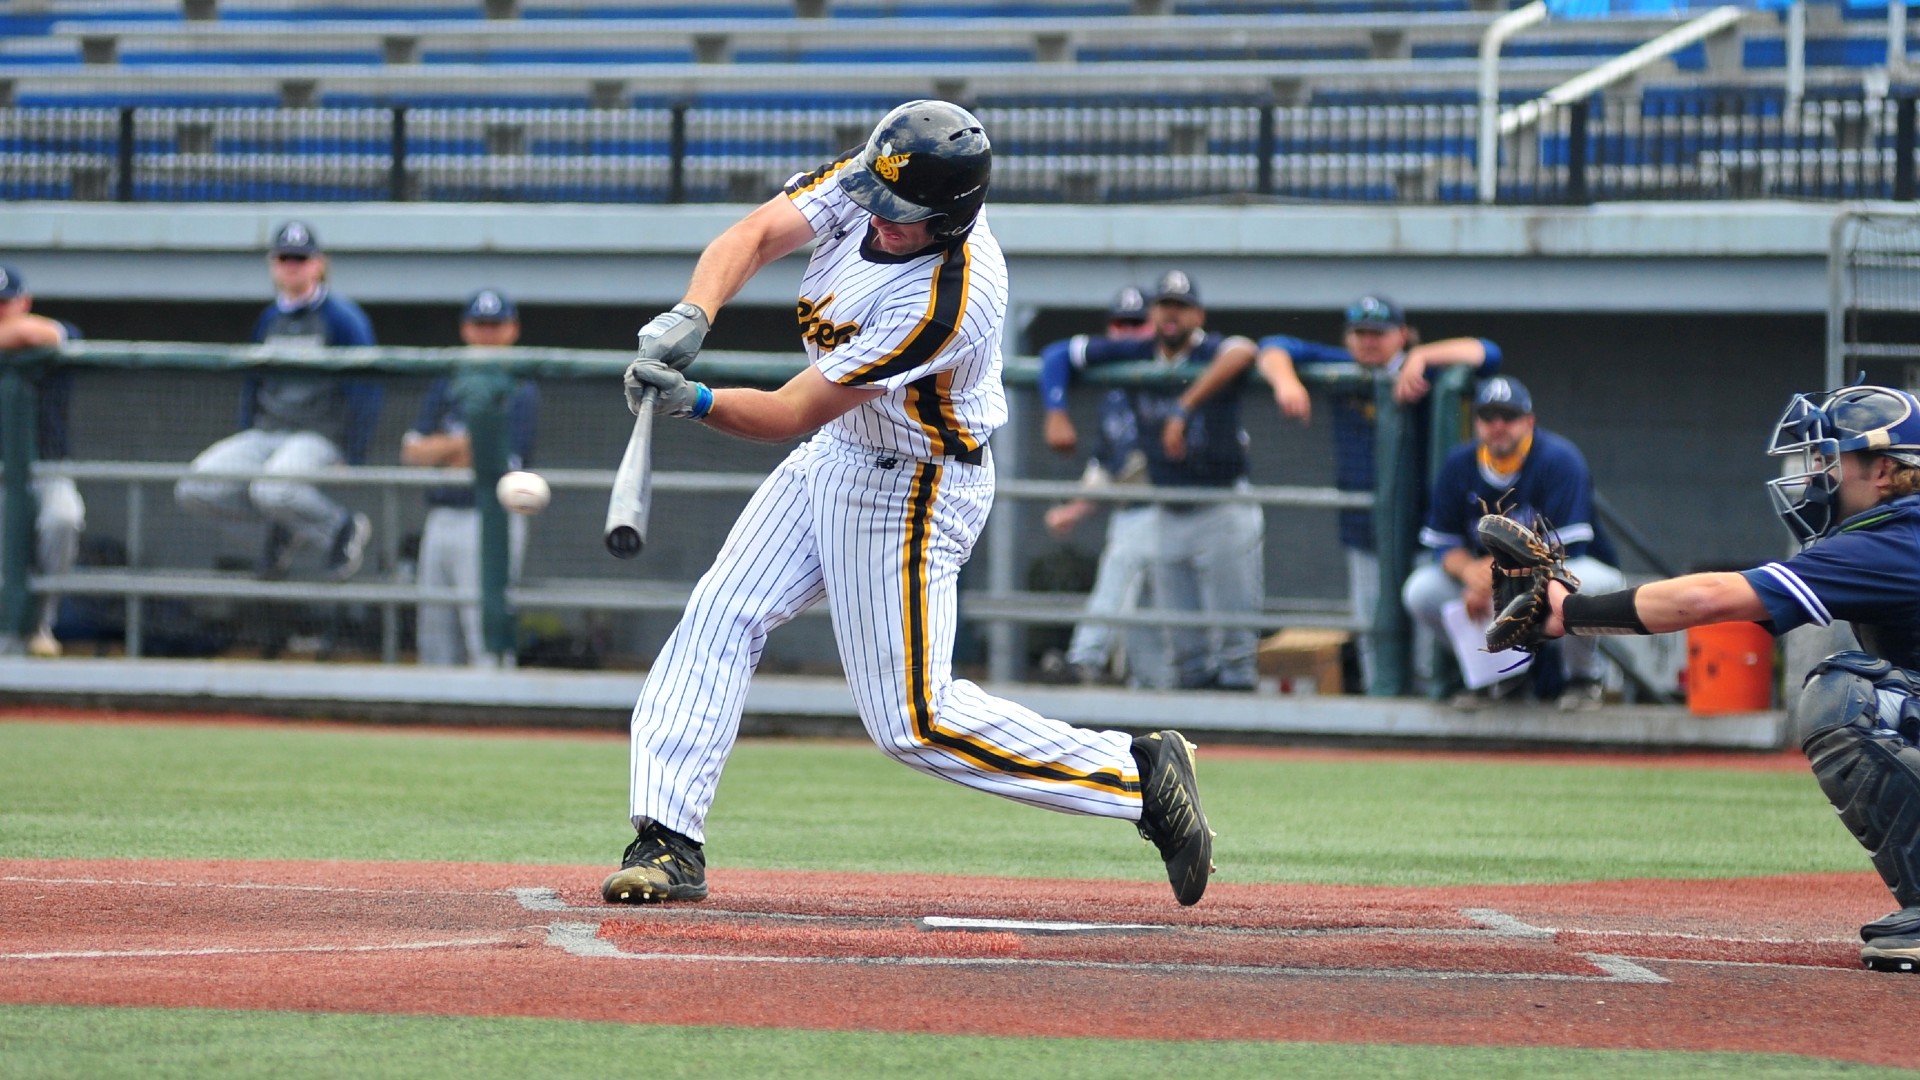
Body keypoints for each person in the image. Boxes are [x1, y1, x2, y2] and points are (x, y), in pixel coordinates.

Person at [605, 99, 1213, 909]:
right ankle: (668, 839)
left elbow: (790, 411)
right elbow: (751, 236)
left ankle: (1137, 777)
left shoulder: (949, 295)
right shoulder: (874, 176)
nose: (878, 219)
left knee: (913, 722)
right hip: (843, 449)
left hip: (914, 483)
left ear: (953, 217)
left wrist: (698, 398)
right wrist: (693, 312)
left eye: (904, 216)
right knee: (721, 613)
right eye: (877, 200)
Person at [1520, 383, 1920, 972]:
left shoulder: (1892, 541)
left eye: (1830, 460)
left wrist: (1567, 614)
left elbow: (1709, 597)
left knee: (1845, 698)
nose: (1816, 476)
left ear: (1883, 471)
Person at [1221, 294, 1503, 691]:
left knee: (1428, 626)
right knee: (1373, 627)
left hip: (1425, 525)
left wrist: (1421, 357)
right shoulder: (1343, 367)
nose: (1368, 342)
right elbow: (1273, 345)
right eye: (1360, 333)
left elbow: (1487, 352)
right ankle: (1381, 709)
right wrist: (1285, 381)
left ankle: (1439, 697)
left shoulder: (1424, 368)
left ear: (1401, 335)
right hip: (1365, 526)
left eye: (1379, 333)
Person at [1039, 270, 1263, 691]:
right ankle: (1200, 742)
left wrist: (1183, 407)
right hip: (1167, 507)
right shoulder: (1138, 350)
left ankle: (1247, 738)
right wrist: (1056, 411)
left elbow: (1244, 351)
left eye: (1180, 307)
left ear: (1198, 314)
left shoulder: (1210, 349)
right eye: (1164, 306)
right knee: (1185, 650)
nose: (1171, 315)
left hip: (1222, 504)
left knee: (1236, 648)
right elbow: (1057, 354)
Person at [174, 220, 379, 580]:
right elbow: (253, 384)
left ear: (318, 264)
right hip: (267, 432)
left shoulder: (343, 318)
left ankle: (341, 527)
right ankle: (287, 527)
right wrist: (245, 432)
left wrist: (354, 453)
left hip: (317, 435)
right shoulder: (269, 318)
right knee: (195, 488)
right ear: (273, 264)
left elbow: (367, 387)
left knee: (272, 489)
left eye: (301, 258)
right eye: (285, 258)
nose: (292, 265)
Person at [1401, 375, 1622, 709]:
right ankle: (1503, 675)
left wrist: (1497, 578)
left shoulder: (1559, 459)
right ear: (1476, 422)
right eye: (1489, 417)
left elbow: (1567, 548)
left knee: (1580, 584)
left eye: (1509, 416)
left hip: (1566, 573)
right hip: (1494, 587)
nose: (1498, 425)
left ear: (1529, 421)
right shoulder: (1459, 465)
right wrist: (1468, 573)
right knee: (1421, 590)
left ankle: (1583, 678)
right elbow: (1443, 543)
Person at [1035, 285, 1170, 688]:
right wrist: (1075, 509)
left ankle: (1085, 661)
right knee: (1139, 607)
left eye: (1137, 323)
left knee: (1147, 601)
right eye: (1120, 323)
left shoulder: (1168, 362)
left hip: (1179, 508)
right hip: (1133, 510)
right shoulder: (1115, 382)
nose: (1128, 332)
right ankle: (1117, 673)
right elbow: (1110, 466)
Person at [402, 288, 538, 667]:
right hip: (442, 515)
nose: (487, 335)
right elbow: (413, 452)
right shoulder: (447, 383)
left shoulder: (521, 388)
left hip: (491, 519)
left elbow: (495, 459)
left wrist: (445, 449)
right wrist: (466, 443)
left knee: (486, 634)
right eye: (480, 325)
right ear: (466, 329)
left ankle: (498, 720)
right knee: (434, 633)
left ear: (512, 329)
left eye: (495, 326)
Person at [0, 264, 84, 658]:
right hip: (2, 475)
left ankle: (39, 625)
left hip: (49, 468)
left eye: (6, 303)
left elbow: (43, 333)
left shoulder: (52, 331)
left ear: (25, 302)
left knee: (63, 519)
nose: (2, 312)